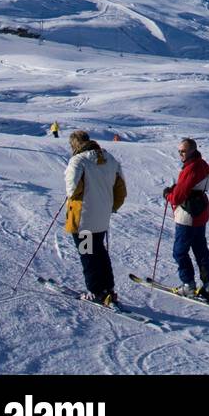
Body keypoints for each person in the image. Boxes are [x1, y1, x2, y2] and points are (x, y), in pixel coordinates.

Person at [65, 129, 127, 305]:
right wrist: (110, 207)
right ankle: (108, 288)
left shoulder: (78, 161)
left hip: (83, 219)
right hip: (102, 218)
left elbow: (72, 190)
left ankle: (95, 291)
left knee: (88, 255)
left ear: (74, 144)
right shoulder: (110, 159)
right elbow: (121, 190)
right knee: (99, 252)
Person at [163, 137, 209, 301]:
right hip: (201, 213)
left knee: (179, 251)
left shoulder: (191, 167)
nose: (180, 154)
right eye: (179, 151)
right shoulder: (202, 164)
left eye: (183, 151)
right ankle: (208, 285)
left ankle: (188, 285)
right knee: (200, 249)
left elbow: (178, 196)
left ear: (192, 151)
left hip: (188, 214)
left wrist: (168, 194)